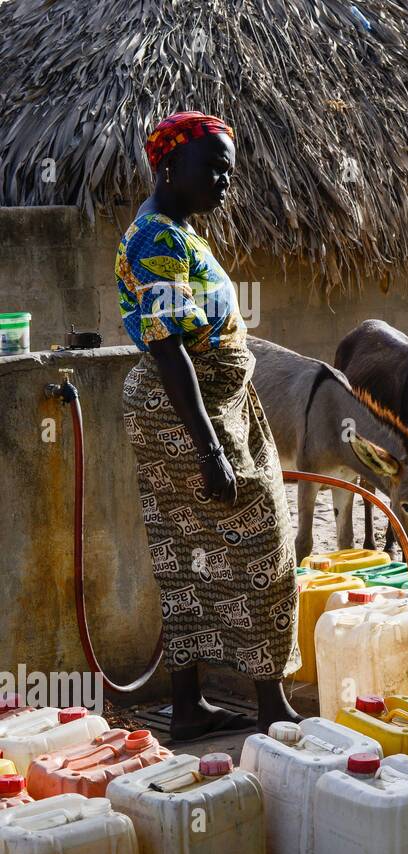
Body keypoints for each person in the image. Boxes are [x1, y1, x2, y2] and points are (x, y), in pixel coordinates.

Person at [118, 111, 301, 739]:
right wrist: (211, 451)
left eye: (230, 169)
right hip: (183, 418)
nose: (225, 180)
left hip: (209, 408)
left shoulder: (179, 231)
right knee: (261, 545)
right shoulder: (156, 241)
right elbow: (168, 350)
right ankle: (270, 704)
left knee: (190, 554)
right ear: (169, 167)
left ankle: (192, 704)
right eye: (213, 168)